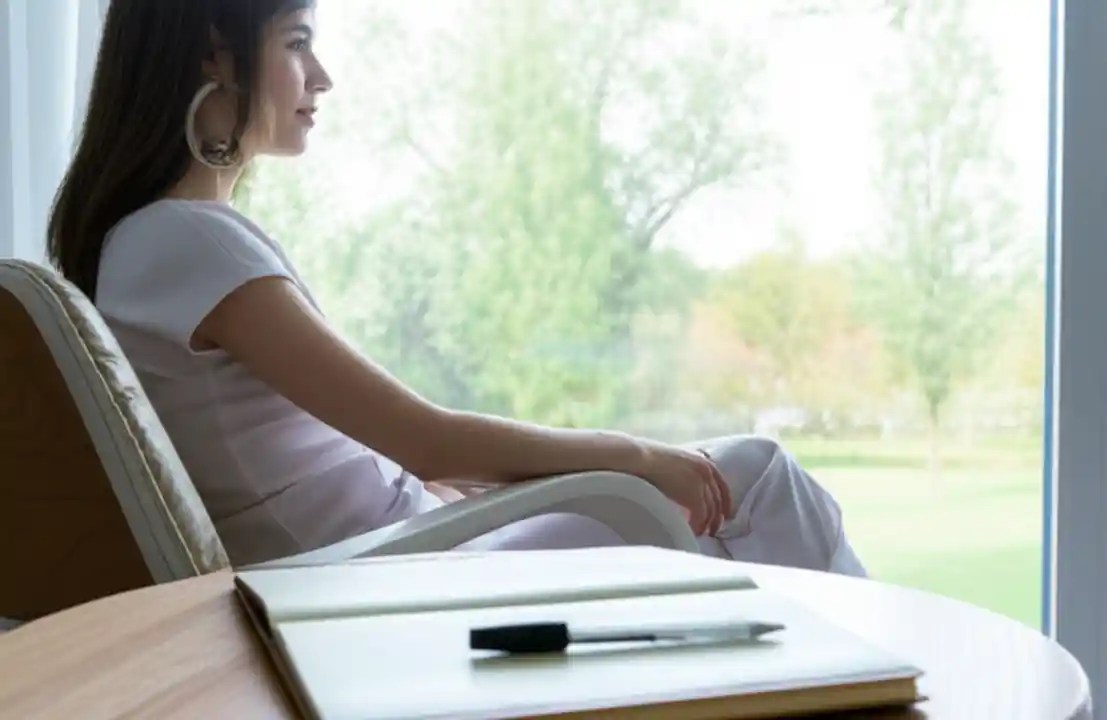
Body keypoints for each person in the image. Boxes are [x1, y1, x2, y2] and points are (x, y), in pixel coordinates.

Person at [47, 0, 867, 577]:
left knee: (730, 520)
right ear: (213, 55)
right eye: (297, 42)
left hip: (404, 545)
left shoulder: (149, 243)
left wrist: (461, 485)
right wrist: (642, 456)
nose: (321, 76)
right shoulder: (185, 241)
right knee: (756, 478)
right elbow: (426, 437)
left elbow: (356, 464)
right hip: (397, 573)